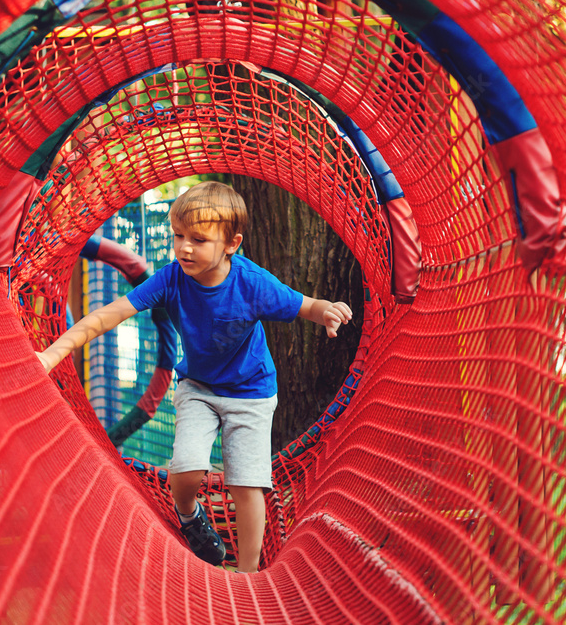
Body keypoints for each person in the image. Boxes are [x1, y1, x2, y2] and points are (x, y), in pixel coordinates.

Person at [36, 181, 352, 572]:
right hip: (198, 389)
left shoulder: (253, 284)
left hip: (251, 393)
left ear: (231, 244)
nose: (185, 247)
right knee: (185, 471)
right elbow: (110, 314)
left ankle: (249, 573)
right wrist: (53, 354)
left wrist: (327, 311)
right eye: (178, 236)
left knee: (247, 484)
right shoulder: (171, 279)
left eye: (199, 239)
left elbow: (305, 305)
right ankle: (190, 515)